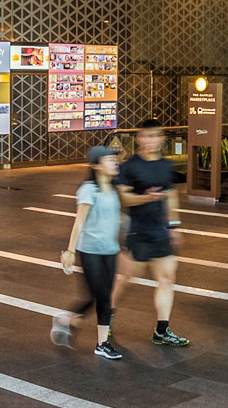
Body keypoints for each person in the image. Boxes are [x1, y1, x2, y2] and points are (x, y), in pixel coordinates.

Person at [112, 120, 189, 347]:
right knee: (125, 280)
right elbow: (125, 198)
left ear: (162, 139)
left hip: (160, 232)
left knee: (167, 279)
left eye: (155, 136)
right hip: (138, 232)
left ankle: (162, 330)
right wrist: (148, 197)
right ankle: (106, 317)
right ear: (139, 139)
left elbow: (171, 196)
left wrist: (174, 226)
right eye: (146, 136)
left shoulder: (165, 165)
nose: (150, 140)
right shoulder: (130, 166)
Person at [53, 146, 125, 359]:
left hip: (110, 249)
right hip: (90, 250)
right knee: (101, 296)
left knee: (99, 297)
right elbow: (79, 222)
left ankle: (66, 320)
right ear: (96, 165)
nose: (114, 163)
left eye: (114, 160)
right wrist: (70, 251)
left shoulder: (114, 188)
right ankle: (102, 344)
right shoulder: (88, 190)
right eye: (109, 160)